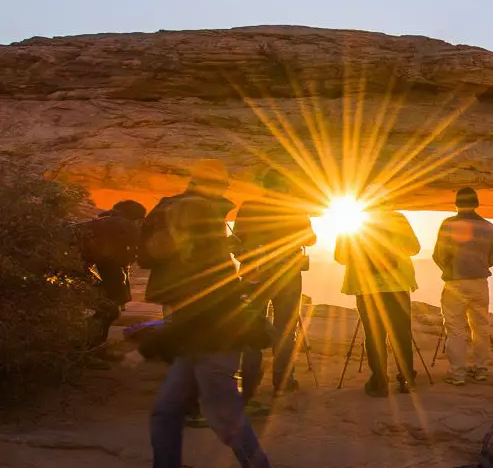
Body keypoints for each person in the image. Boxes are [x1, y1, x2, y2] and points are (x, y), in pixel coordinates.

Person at [118, 192, 286, 468]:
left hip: (213, 350)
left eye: (173, 223)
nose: (168, 228)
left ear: (188, 226)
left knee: (225, 419)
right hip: (195, 348)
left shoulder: (206, 262)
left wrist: (146, 349)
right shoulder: (198, 256)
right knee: (166, 412)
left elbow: (193, 315)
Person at [233, 169, 317, 401]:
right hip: (288, 273)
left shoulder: (249, 206)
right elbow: (310, 239)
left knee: (252, 327)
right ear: (287, 187)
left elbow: (237, 239)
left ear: (264, 185)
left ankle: (248, 385)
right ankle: (282, 382)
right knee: (286, 327)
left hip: (254, 274)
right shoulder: (296, 208)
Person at [335, 187, 420, 397]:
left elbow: (341, 256)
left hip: (367, 287)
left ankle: (379, 381)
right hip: (397, 284)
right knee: (401, 333)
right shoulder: (398, 219)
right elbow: (414, 248)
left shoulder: (353, 221)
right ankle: (406, 379)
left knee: (373, 335)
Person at [139, 159, 237, 308]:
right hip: (199, 289)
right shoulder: (207, 208)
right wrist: (232, 284)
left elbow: (143, 239)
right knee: (196, 329)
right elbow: (216, 253)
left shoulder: (166, 203)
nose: (225, 190)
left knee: (172, 327)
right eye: (224, 185)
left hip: (166, 285)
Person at [433, 187, 493, 387]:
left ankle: (458, 374)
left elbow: (438, 254)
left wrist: (452, 267)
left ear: (456, 204)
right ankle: (480, 369)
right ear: (477, 203)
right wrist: (478, 265)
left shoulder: (448, 225)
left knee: (455, 329)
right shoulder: (488, 227)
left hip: (455, 282)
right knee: (480, 327)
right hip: (480, 282)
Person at [78, 200, 147, 349]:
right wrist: (118, 293)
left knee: (106, 305)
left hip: (64, 266)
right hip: (70, 269)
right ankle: (87, 349)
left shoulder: (100, 222)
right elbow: (109, 260)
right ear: (138, 219)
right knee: (109, 308)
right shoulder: (124, 226)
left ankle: (86, 346)